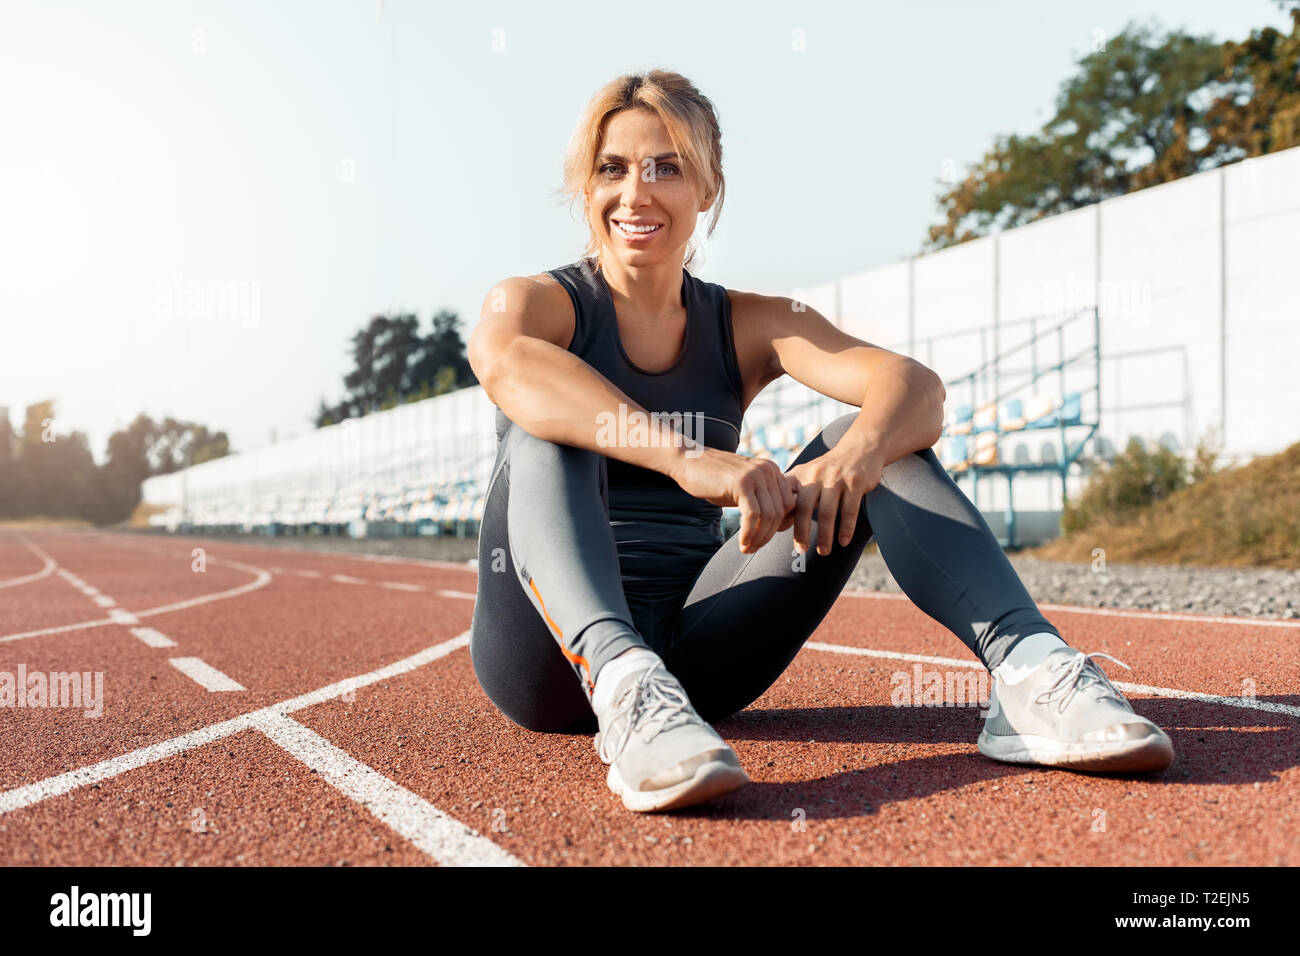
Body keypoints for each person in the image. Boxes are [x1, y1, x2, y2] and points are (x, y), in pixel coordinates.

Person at [466, 69, 1173, 813]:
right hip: (544, 662)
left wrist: (855, 458)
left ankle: (1031, 672)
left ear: (707, 189)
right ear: (586, 188)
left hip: (696, 659)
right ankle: (622, 681)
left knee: (872, 438)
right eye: (613, 169)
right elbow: (505, 362)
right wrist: (689, 458)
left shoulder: (748, 321)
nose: (636, 193)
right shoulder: (536, 302)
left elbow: (915, 388)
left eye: (666, 167)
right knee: (548, 433)